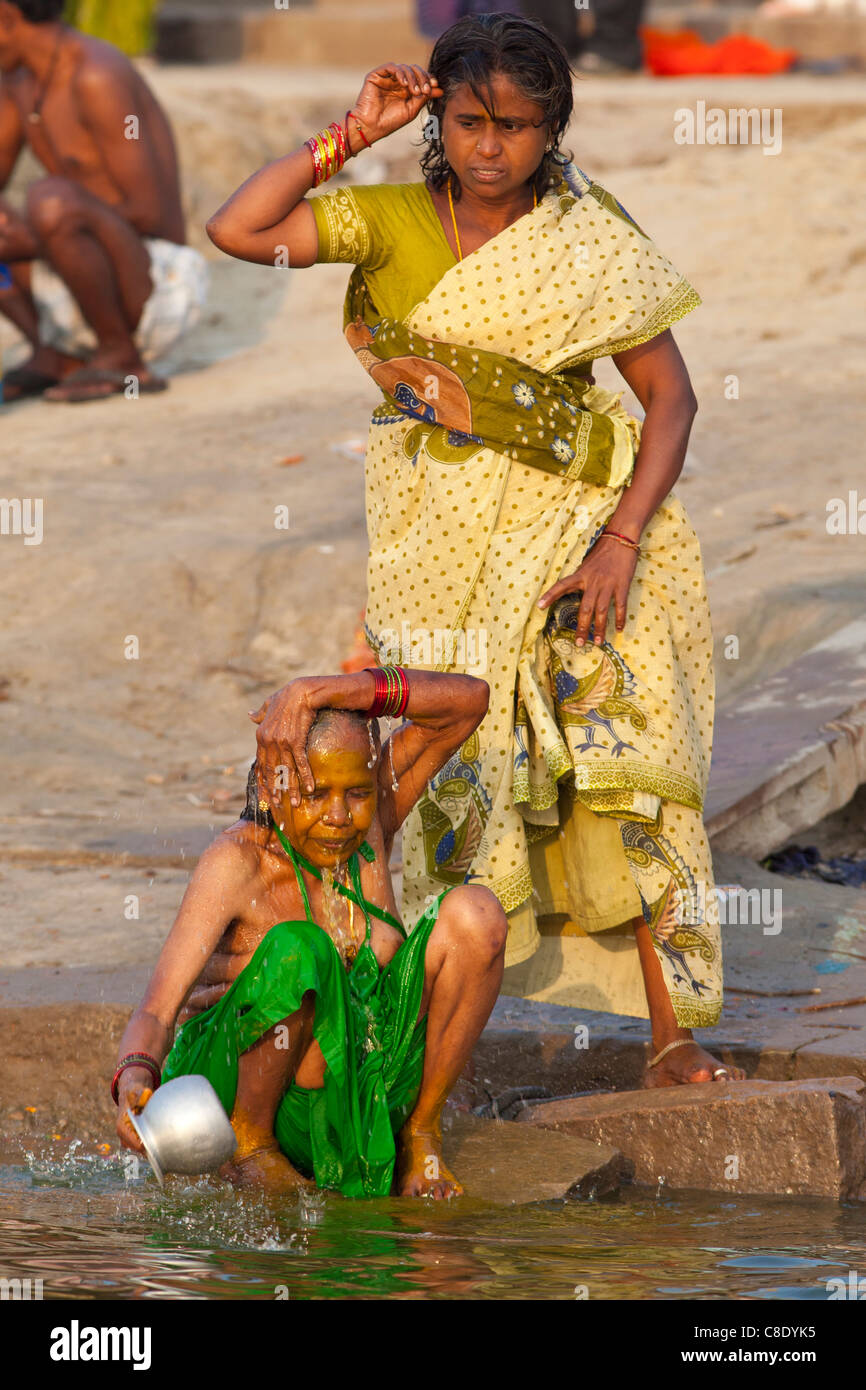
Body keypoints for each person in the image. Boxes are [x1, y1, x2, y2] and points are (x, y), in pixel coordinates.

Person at [205, 11, 744, 1087]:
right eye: (468, 121)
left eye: (517, 125)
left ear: (553, 129)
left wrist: (618, 543)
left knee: (619, 761)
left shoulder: (585, 238)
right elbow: (238, 230)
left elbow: (669, 399)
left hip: (580, 534)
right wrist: (344, 136)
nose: (490, 146)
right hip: (431, 541)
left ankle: (670, 1033)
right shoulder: (392, 219)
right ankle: (385, 1012)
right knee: (437, 762)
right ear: (437, 117)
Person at [114, 666, 507, 1199]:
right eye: (315, 793)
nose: (340, 816)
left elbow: (469, 701)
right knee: (301, 948)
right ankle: (252, 1151)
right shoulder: (238, 862)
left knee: (476, 914)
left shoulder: (368, 828)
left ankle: (421, 1135)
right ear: (275, 790)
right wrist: (134, 1082)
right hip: (250, 1100)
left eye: (358, 793)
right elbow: (158, 1010)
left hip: (357, 1091)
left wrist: (316, 692)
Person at [0, 0, 208, 403]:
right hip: (77, 273)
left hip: (156, 285)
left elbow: (147, 212)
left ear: (5, 16)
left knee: (50, 199)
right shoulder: (19, 80)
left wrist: (29, 239)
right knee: (47, 205)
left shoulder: (96, 72)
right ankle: (55, 355)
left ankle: (124, 357)